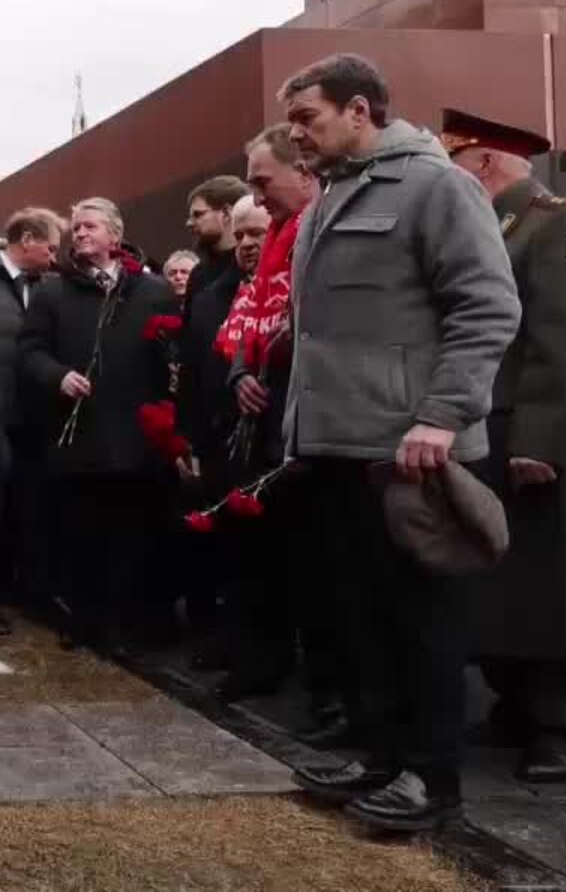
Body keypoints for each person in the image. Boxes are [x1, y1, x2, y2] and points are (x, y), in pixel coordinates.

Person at [280, 54, 520, 832]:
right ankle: (381, 756)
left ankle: (430, 778)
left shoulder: (436, 186)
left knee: (422, 623)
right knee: (362, 619)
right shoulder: (329, 200)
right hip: (340, 448)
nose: (297, 137)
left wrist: (442, 417)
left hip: (411, 452)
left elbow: (486, 308)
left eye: (307, 119)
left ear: (360, 111)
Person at [438, 110, 566, 785]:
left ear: (483, 162)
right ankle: (517, 709)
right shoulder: (491, 229)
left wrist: (541, 437)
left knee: (550, 589)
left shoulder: (557, 223)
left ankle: (561, 729)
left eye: (454, 166)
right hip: (490, 426)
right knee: (503, 586)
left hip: (538, 433)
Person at [22, 198, 177, 656]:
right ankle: (83, 620)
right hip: (79, 436)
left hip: (135, 439)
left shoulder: (153, 292)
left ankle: (127, 624)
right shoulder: (52, 293)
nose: (80, 234)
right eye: (75, 228)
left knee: (131, 537)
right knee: (79, 535)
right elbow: (28, 352)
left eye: (90, 226)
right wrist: (57, 376)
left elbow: (173, 353)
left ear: (115, 234)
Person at [216, 130, 330, 719]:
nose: (258, 202)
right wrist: (240, 375)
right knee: (264, 558)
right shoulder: (283, 236)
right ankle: (266, 664)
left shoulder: (318, 226)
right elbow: (253, 316)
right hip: (266, 421)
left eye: (263, 184)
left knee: (315, 569)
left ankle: (326, 691)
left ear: (305, 173)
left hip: (315, 421)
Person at [179, 197, 262, 681]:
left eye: (259, 235)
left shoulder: (289, 287)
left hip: (266, 447)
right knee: (227, 557)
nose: (249, 245)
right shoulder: (214, 294)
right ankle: (234, 648)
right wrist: (187, 439)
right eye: (243, 235)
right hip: (216, 442)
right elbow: (192, 370)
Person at [0, 208, 66, 636]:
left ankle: (17, 591)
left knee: (22, 509)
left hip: (27, 420)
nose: (54, 258)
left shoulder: (43, 288)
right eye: (50, 247)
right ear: (27, 240)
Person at [183, 176, 251, 307]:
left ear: (226, 213)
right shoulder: (198, 275)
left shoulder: (251, 266)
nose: (189, 223)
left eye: (198, 215)